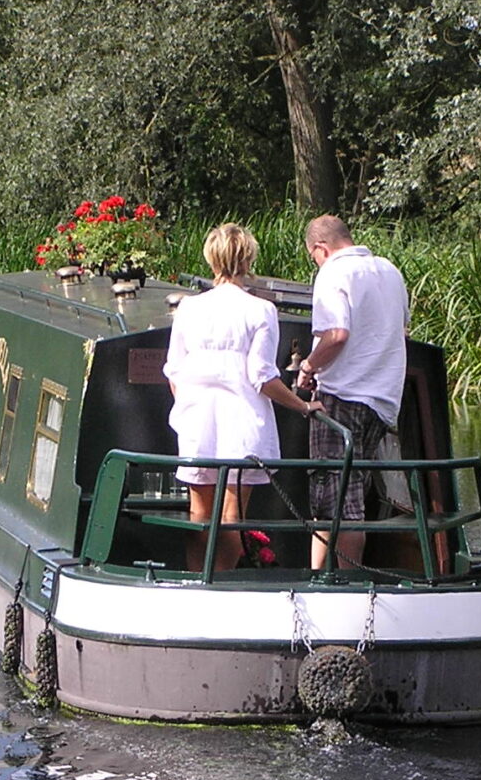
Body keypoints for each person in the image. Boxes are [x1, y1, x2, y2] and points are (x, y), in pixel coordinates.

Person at [166, 223, 323, 572]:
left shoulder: (189, 308)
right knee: (232, 515)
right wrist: (302, 405)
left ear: (211, 259)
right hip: (243, 423)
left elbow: (173, 371)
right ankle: (222, 584)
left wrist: (189, 407)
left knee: (199, 515)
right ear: (248, 258)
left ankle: (197, 584)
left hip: (196, 420)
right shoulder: (260, 310)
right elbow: (262, 377)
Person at [294, 214, 409, 570]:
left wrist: (308, 367)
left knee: (335, 501)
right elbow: (401, 332)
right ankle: (346, 580)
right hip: (384, 399)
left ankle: (332, 584)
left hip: (343, 396)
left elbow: (337, 335)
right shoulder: (390, 270)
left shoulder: (333, 272)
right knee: (353, 489)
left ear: (320, 248)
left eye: (313, 256)